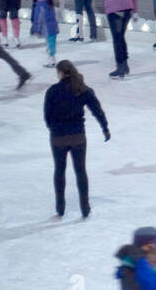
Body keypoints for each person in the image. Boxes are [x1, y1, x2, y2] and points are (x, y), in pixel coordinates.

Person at [43, 61, 110, 218]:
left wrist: (53, 129)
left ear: (60, 72)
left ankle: (60, 207)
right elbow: (97, 110)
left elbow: (47, 115)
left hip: (58, 137)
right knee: (80, 171)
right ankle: (85, 207)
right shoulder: (83, 90)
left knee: (59, 170)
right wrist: (105, 128)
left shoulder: (52, 91)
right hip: (77, 137)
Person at [93, 0, 136, 79]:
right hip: (127, 9)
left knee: (117, 39)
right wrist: (135, 11)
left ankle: (121, 67)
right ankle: (125, 65)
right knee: (121, 37)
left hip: (115, 11)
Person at [29, 0, 59, 67]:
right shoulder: (49, 4)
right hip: (53, 28)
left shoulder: (40, 6)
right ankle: (52, 59)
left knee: (50, 44)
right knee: (51, 44)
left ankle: (52, 60)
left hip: (47, 29)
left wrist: (36, 30)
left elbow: (38, 19)